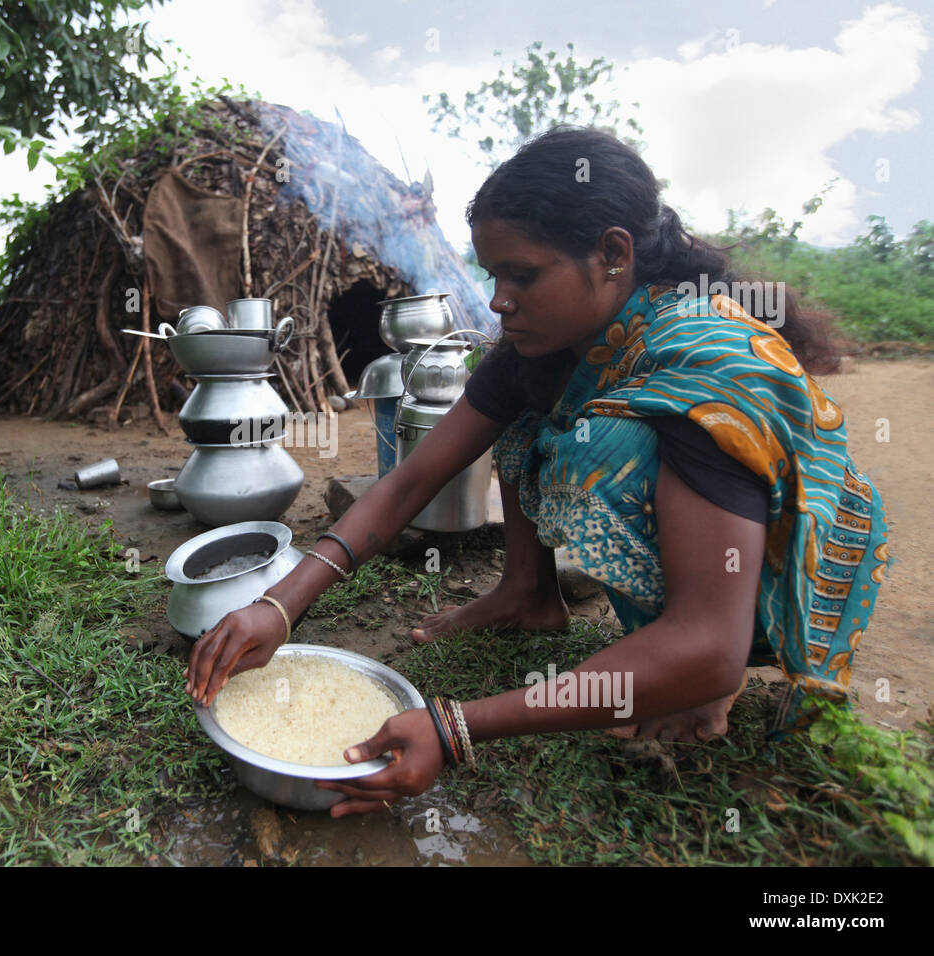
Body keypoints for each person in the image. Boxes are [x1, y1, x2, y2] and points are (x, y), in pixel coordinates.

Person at [184, 126, 888, 818]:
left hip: (778, 572)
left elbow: (711, 648)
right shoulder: (549, 344)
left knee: (599, 448)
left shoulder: (707, 368)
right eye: (494, 275)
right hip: (708, 563)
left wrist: (456, 727)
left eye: (523, 275)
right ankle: (529, 593)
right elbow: (407, 480)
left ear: (613, 254)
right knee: (534, 417)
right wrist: (280, 604)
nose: (497, 300)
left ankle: (688, 674)